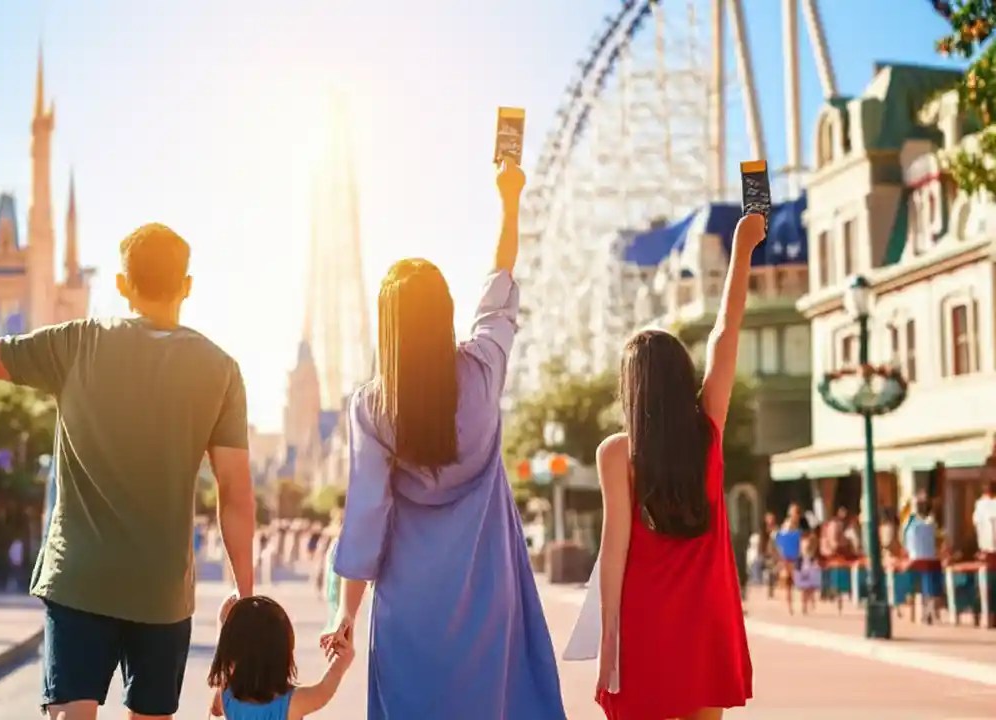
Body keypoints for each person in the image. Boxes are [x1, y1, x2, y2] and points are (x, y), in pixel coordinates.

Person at [0, 223, 257, 720]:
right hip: (162, 590)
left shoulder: (78, 343)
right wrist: (245, 596)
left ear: (122, 285)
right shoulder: (221, 370)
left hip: (77, 580)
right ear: (186, 285)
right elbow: (235, 492)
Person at [320, 159, 566, 719]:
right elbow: (499, 285)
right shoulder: (483, 370)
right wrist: (510, 199)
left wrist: (345, 613)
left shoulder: (373, 407)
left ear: (389, 328)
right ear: (447, 312)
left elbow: (365, 517)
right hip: (489, 596)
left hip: (408, 607)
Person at [592, 212, 763, 720]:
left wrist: (608, 638)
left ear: (632, 389)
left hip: (645, 618)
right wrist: (742, 251)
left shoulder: (616, 454)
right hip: (708, 615)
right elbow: (725, 333)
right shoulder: (707, 429)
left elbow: (614, 550)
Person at [208, 596, 354, 720]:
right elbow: (323, 691)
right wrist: (341, 661)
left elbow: (215, 708)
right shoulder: (292, 703)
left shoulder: (226, 696)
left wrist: (223, 624)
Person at [794, 535, 822, 615]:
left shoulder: (812, 553)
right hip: (804, 569)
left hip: (808, 569)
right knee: (806, 590)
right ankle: (805, 606)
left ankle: (807, 604)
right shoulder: (805, 550)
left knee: (808, 589)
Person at [974, 481, 996, 557]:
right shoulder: (981, 503)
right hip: (987, 543)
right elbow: (976, 520)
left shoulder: (981, 503)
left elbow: (976, 520)